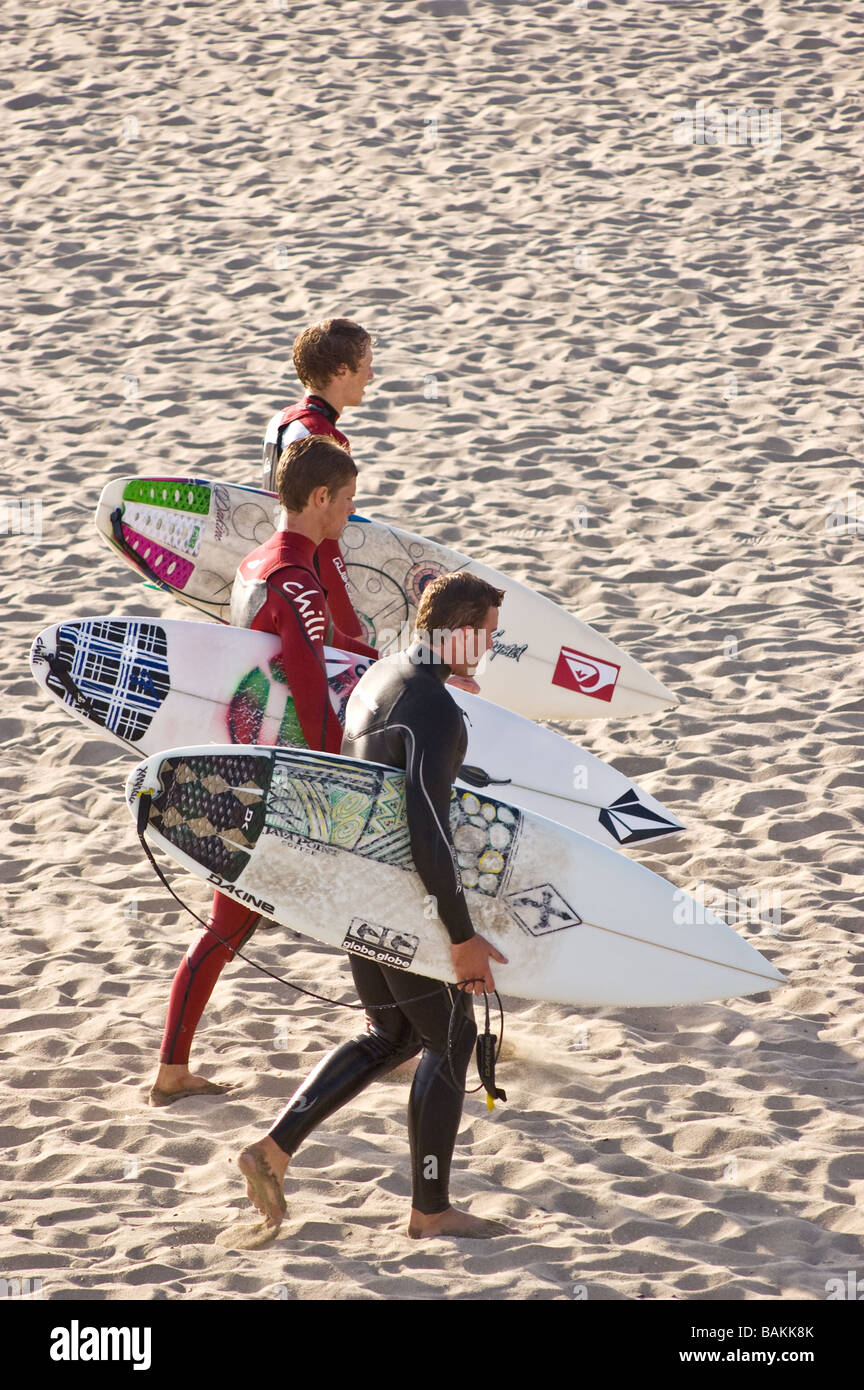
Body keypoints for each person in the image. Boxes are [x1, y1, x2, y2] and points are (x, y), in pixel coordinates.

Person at [236, 572, 512, 1240]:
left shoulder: (382, 677)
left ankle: (271, 1151)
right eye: (488, 636)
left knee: (391, 1036)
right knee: (451, 1039)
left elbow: (382, 782)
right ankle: (430, 1209)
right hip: (401, 901)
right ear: (462, 630)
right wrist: (461, 933)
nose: (490, 650)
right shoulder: (436, 711)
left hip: (353, 889)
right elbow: (426, 829)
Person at [148, 437, 378, 1106]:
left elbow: (321, 650)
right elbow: (310, 689)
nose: (351, 512)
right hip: (290, 775)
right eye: (347, 500)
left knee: (232, 924)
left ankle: (172, 1070)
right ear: (318, 499)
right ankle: (390, 1039)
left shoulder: (258, 563)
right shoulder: (299, 581)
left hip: (250, 757)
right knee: (343, 901)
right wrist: (348, 779)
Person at [262, 318, 374, 641]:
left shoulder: (280, 422)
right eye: (365, 367)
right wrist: (347, 625)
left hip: (274, 565)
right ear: (341, 371)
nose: (371, 376)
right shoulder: (322, 437)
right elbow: (323, 534)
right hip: (307, 580)